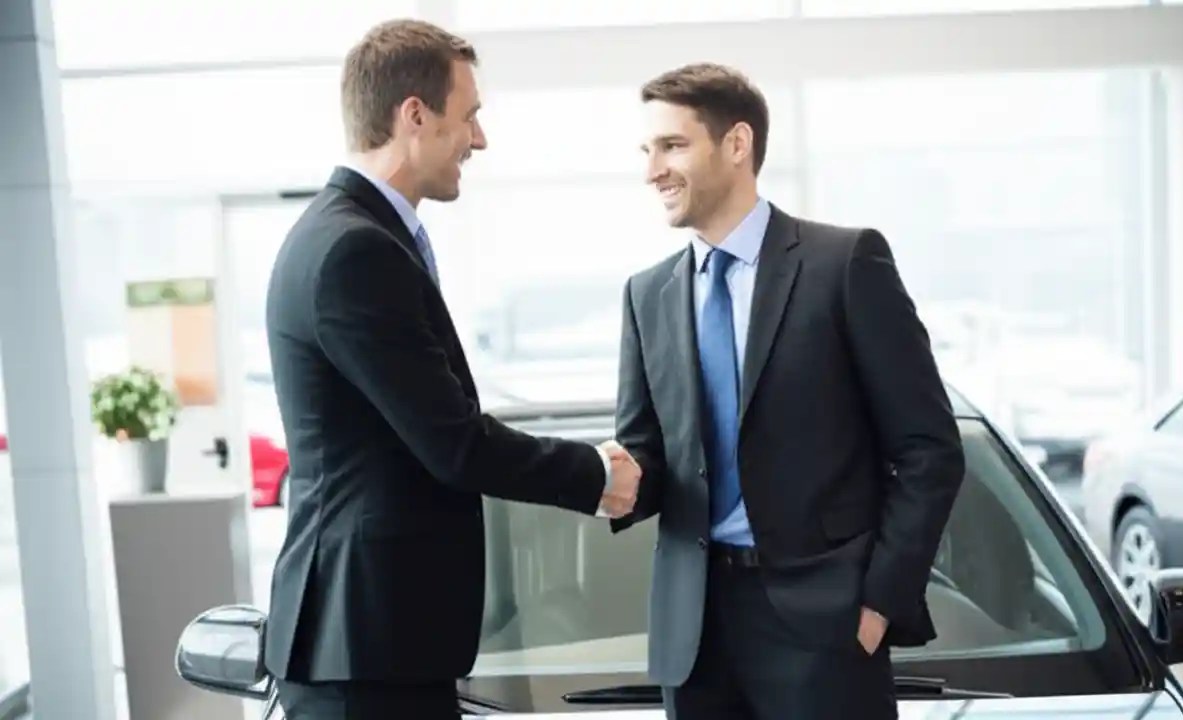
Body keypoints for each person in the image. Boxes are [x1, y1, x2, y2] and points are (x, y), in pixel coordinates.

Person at [261, 19, 641, 719]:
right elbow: (453, 444)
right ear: (414, 115)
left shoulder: (348, 235)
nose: (480, 139)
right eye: (469, 117)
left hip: (378, 645)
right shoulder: (356, 252)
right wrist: (596, 476)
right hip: (366, 653)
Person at [609, 63, 966, 719]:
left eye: (672, 146)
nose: (651, 170)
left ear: (737, 144)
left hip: (825, 632)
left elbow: (929, 450)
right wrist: (592, 478)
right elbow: (647, 459)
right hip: (694, 637)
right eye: (646, 150)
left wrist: (877, 604)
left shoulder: (845, 264)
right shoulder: (646, 295)